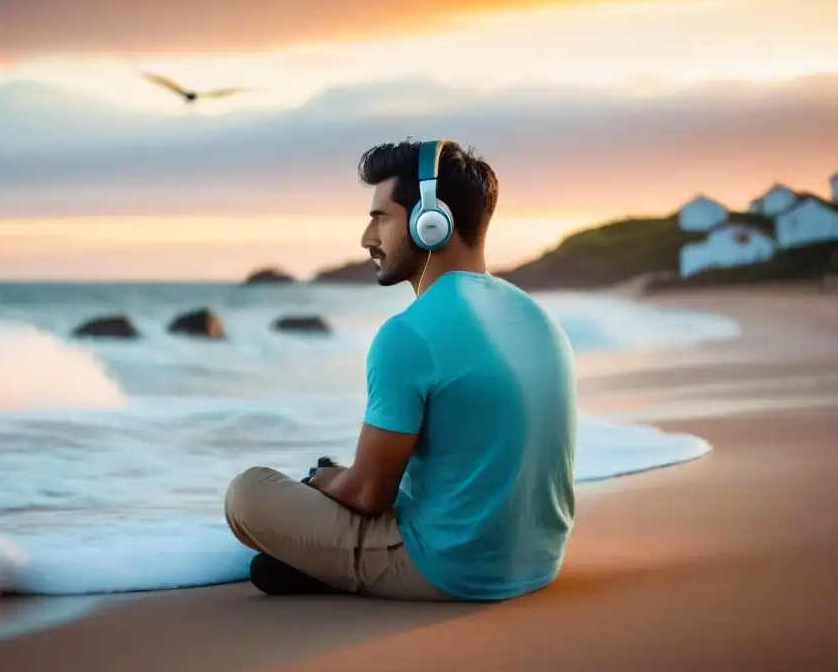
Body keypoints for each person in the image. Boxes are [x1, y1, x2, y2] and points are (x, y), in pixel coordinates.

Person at [224, 139, 577, 601]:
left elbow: (370, 495)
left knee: (249, 494)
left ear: (432, 223)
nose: (368, 239)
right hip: (539, 560)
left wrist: (328, 481)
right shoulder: (535, 315)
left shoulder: (408, 335)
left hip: (453, 569)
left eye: (380, 218)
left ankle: (348, 568)